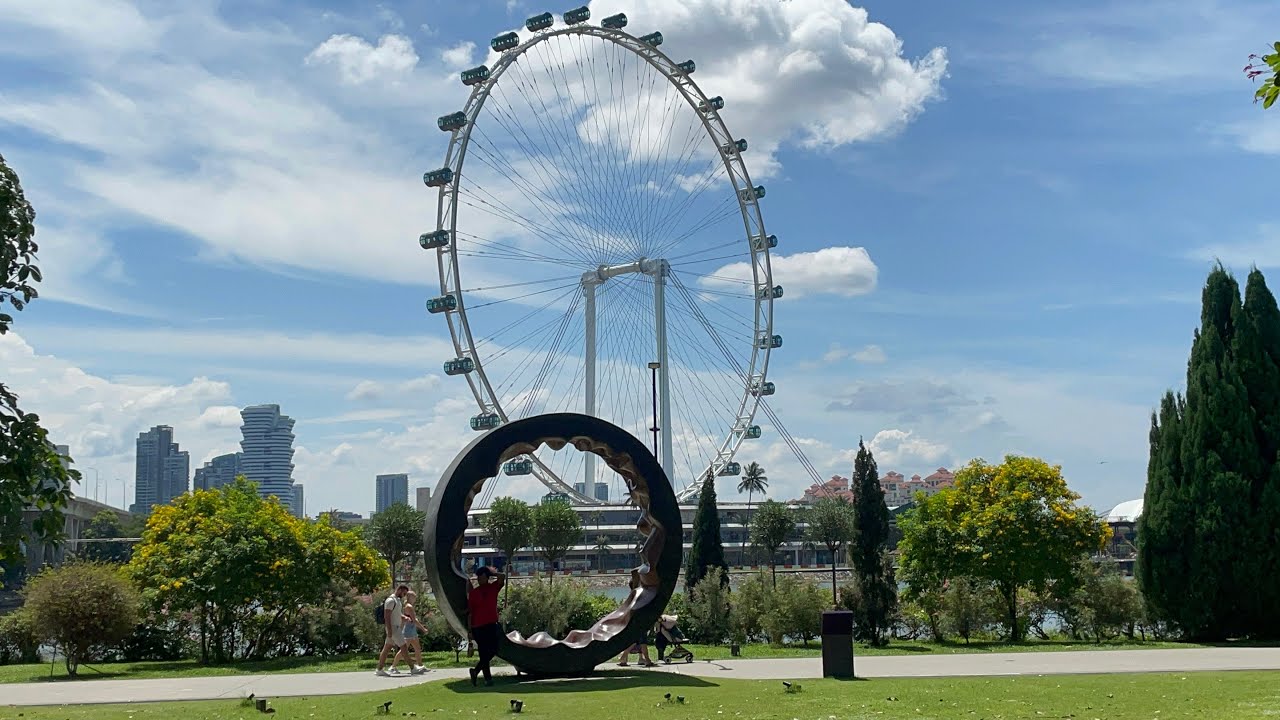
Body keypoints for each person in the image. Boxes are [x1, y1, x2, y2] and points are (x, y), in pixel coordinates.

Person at [467, 566, 504, 687]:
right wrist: (470, 631)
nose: (479, 580)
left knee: (494, 649)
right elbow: (470, 613)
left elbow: (502, 577)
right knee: (483, 653)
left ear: (487, 578)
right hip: (478, 626)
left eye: (482, 578)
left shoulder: (493, 587)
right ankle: (488, 679)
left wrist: (492, 572)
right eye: (478, 578)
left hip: (491, 624)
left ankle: (476, 671)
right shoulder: (474, 593)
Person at [390, 590, 428, 675]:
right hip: (408, 631)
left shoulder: (408, 606)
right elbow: (414, 620)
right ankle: (393, 667)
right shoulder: (409, 606)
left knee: (417, 648)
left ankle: (420, 665)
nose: (415, 599)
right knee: (403, 650)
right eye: (414, 597)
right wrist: (423, 628)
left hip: (412, 630)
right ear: (410, 597)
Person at [375, 584, 409, 676]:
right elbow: (387, 617)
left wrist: (403, 617)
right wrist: (389, 631)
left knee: (386, 648)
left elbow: (396, 614)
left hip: (395, 627)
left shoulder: (397, 601)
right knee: (404, 647)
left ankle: (379, 669)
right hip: (393, 627)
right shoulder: (390, 601)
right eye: (404, 593)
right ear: (400, 590)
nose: (404, 595)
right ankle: (413, 668)